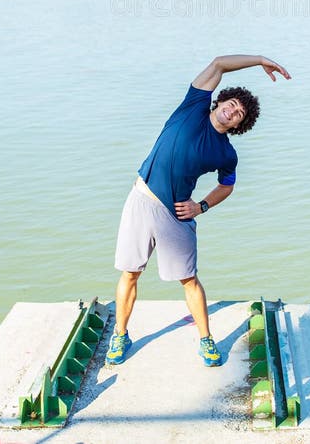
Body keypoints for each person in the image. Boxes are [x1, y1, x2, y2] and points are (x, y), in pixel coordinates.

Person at [106, 53, 291, 368]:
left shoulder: (226, 154)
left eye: (239, 113)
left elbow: (227, 186)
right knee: (131, 272)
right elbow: (219, 64)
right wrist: (259, 59)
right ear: (219, 102)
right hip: (142, 197)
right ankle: (121, 335)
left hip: (177, 214)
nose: (232, 110)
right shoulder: (192, 107)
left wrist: (201, 206)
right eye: (231, 104)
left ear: (238, 125)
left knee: (189, 279)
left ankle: (206, 340)